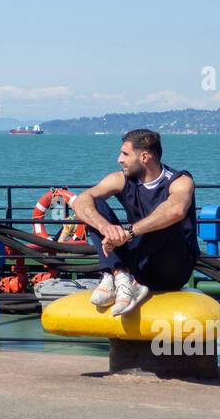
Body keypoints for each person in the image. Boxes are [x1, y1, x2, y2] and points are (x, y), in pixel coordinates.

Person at [71, 129, 200, 317]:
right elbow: (82, 200)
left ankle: (123, 277)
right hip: (138, 262)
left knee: (165, 217)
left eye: (125, 154)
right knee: (95, 204)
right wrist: (105, 228)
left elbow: (176, 210)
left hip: (172, 268)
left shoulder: (180, 181)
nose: (119, 159)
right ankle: (119, 275)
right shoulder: (121, 179)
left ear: (145, 156)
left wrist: (128, 232)